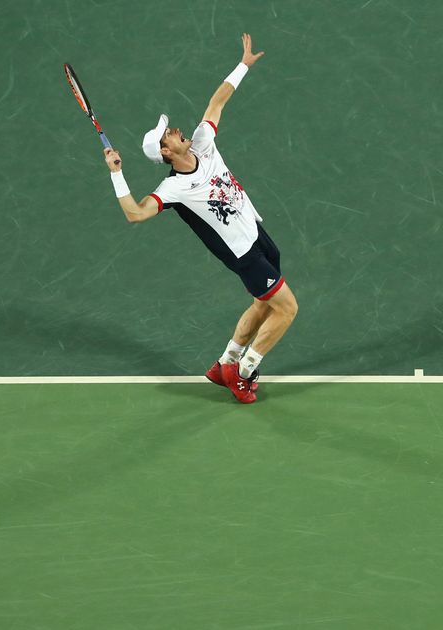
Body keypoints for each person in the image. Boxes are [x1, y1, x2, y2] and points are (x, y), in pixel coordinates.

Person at [101, 33, 296, 404]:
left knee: (263, 304)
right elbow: (135, 213)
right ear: (165, 152)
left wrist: (243, 65)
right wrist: (116, 173)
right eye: (167, 134)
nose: (175, 130)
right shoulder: (174, 189)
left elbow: (217, 100)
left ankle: (225, 364)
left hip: (256, 232)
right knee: (287, 309)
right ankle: (243, 373)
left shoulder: (202, 142)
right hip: (242, 252)